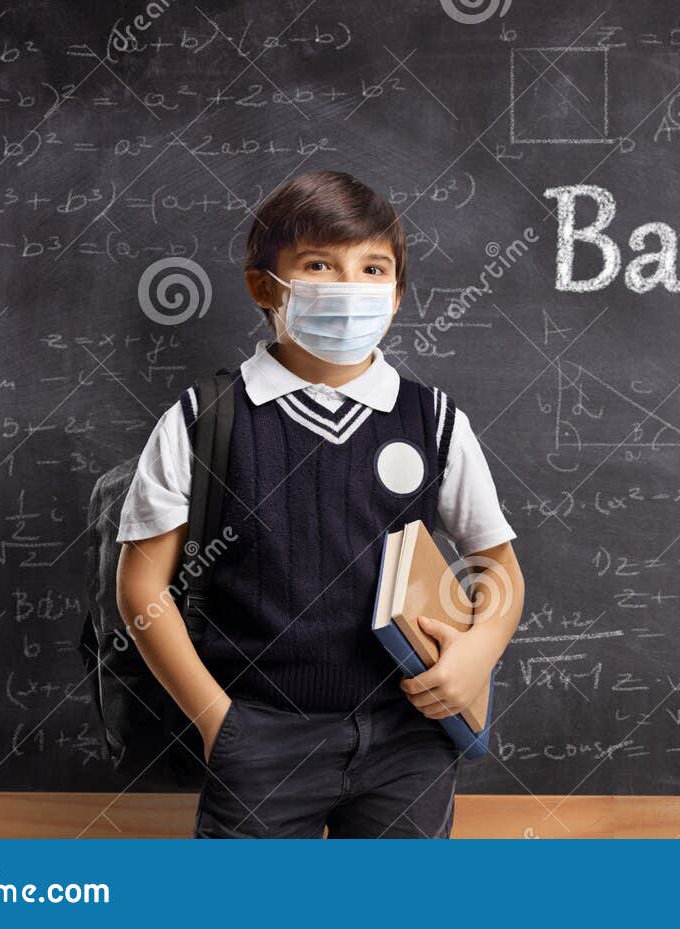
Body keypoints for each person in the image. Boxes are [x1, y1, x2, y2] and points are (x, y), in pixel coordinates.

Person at [113, 169, 523, 838]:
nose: (349, 288)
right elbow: (140, 586)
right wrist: (221, 724)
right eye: (318, 265)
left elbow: (497, 563)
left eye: (372, 268)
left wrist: (481, 650)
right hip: (258, 734)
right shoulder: (204, 417)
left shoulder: (432, 419)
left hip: (408, 740)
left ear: (396, 294)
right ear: (263, 286)